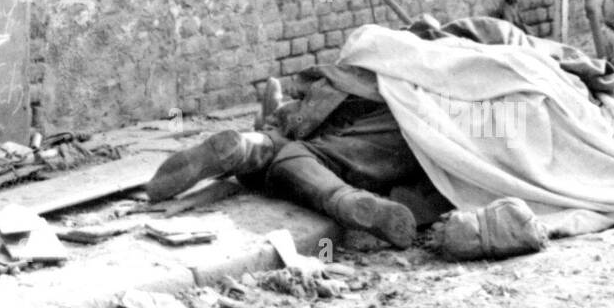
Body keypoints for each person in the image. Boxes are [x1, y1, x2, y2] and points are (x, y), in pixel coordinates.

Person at [147, 66, 452, 248]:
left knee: (301, 144)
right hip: (423, 113)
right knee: (317, 153)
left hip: (370, 88)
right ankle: (343, 199)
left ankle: (254, 145)